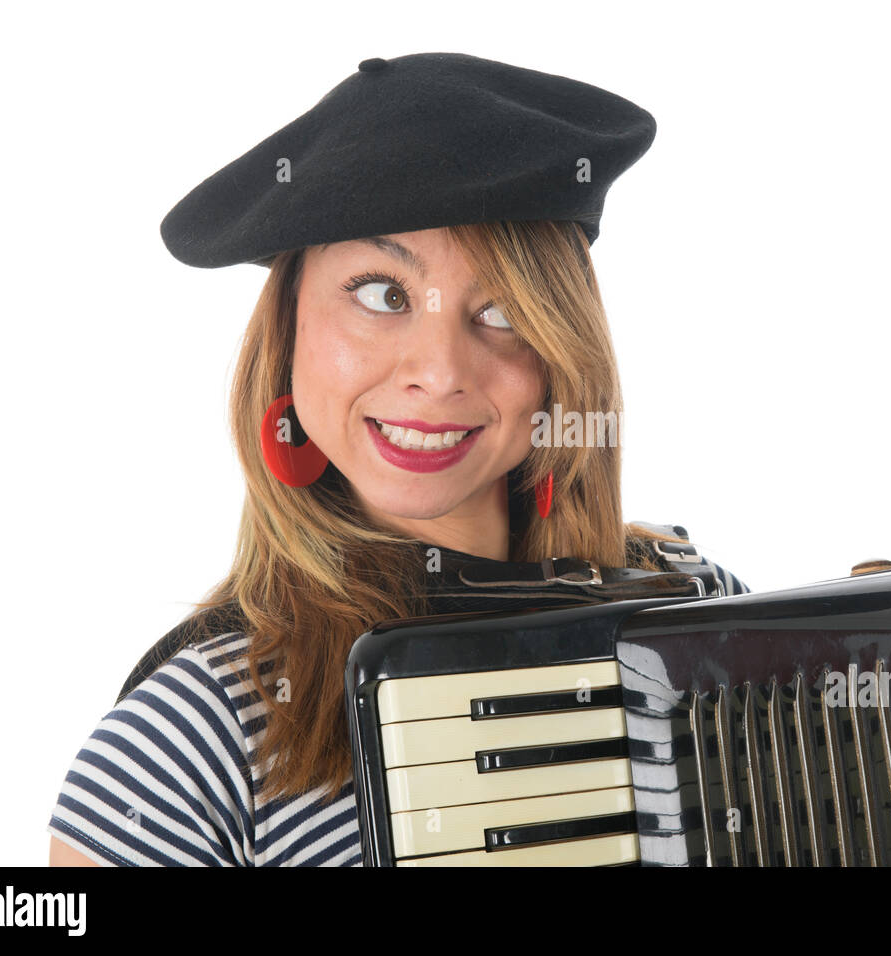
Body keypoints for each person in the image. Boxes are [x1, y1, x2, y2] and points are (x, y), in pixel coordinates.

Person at [47, 52, 748, 867]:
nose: (440, 372)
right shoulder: (184, 745)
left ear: (563, 353)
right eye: (383, 294)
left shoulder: (695, 615)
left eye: (503, 310)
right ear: (289, 331)